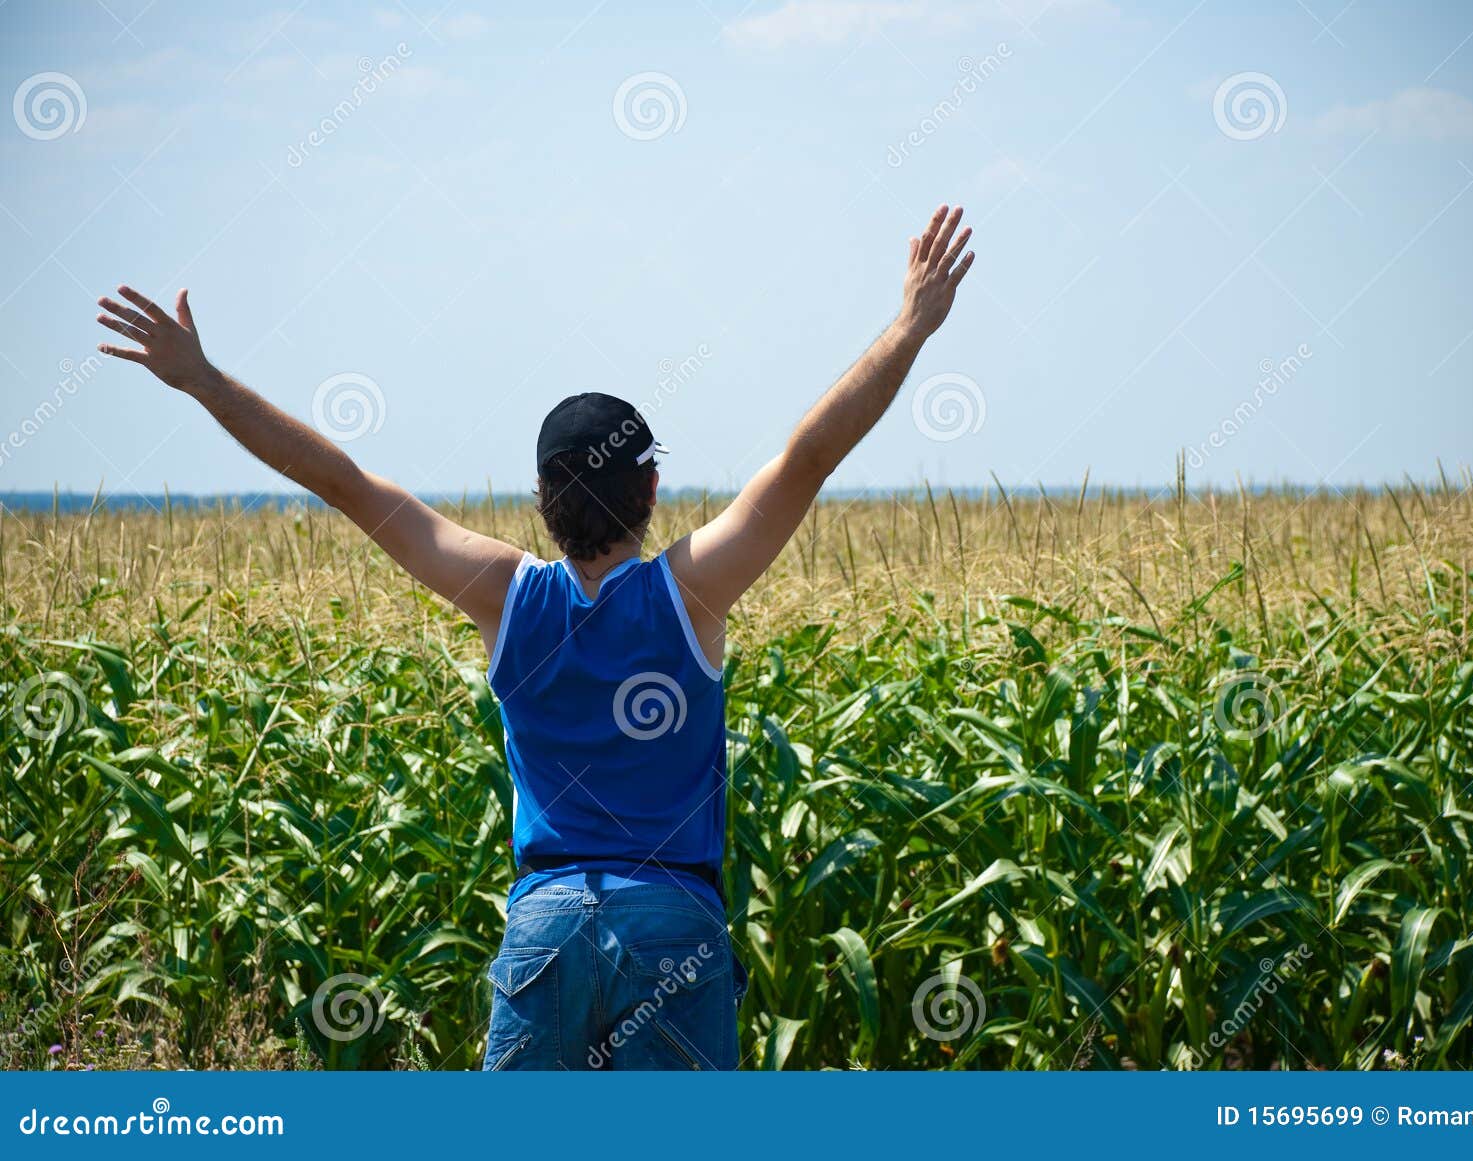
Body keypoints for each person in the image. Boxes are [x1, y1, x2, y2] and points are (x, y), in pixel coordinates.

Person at [94, 204, 976, 1069]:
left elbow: (346, 483)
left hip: (546, 924)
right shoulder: (694, 590)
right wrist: (909, 328)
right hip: (672, 922)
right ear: (653, 489)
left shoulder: (504, 595)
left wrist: (204, 381)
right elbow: (808, 458)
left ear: (544, 503)